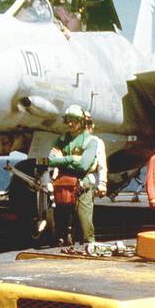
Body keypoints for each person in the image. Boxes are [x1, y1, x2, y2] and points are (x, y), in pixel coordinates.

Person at [47, 104, 99, 247]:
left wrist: (61, 160)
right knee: (60, 225)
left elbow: (83, 166)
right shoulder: (62, 139)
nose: (70, 123)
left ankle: (89, 247)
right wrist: (71, 159)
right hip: (64, 186)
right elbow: (51, 160)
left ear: (81, 122)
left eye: (74, 120)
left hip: (81, 185)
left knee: (84, 223)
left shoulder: (91, 141)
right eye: (68, 120)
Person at [85, 111, 108, 199]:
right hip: (68, 183)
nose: (87, 126)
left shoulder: (97, 142)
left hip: (86, 182)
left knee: (85, 211)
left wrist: (102, 183)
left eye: (88, 123)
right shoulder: (68, 140)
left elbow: (102, 165)